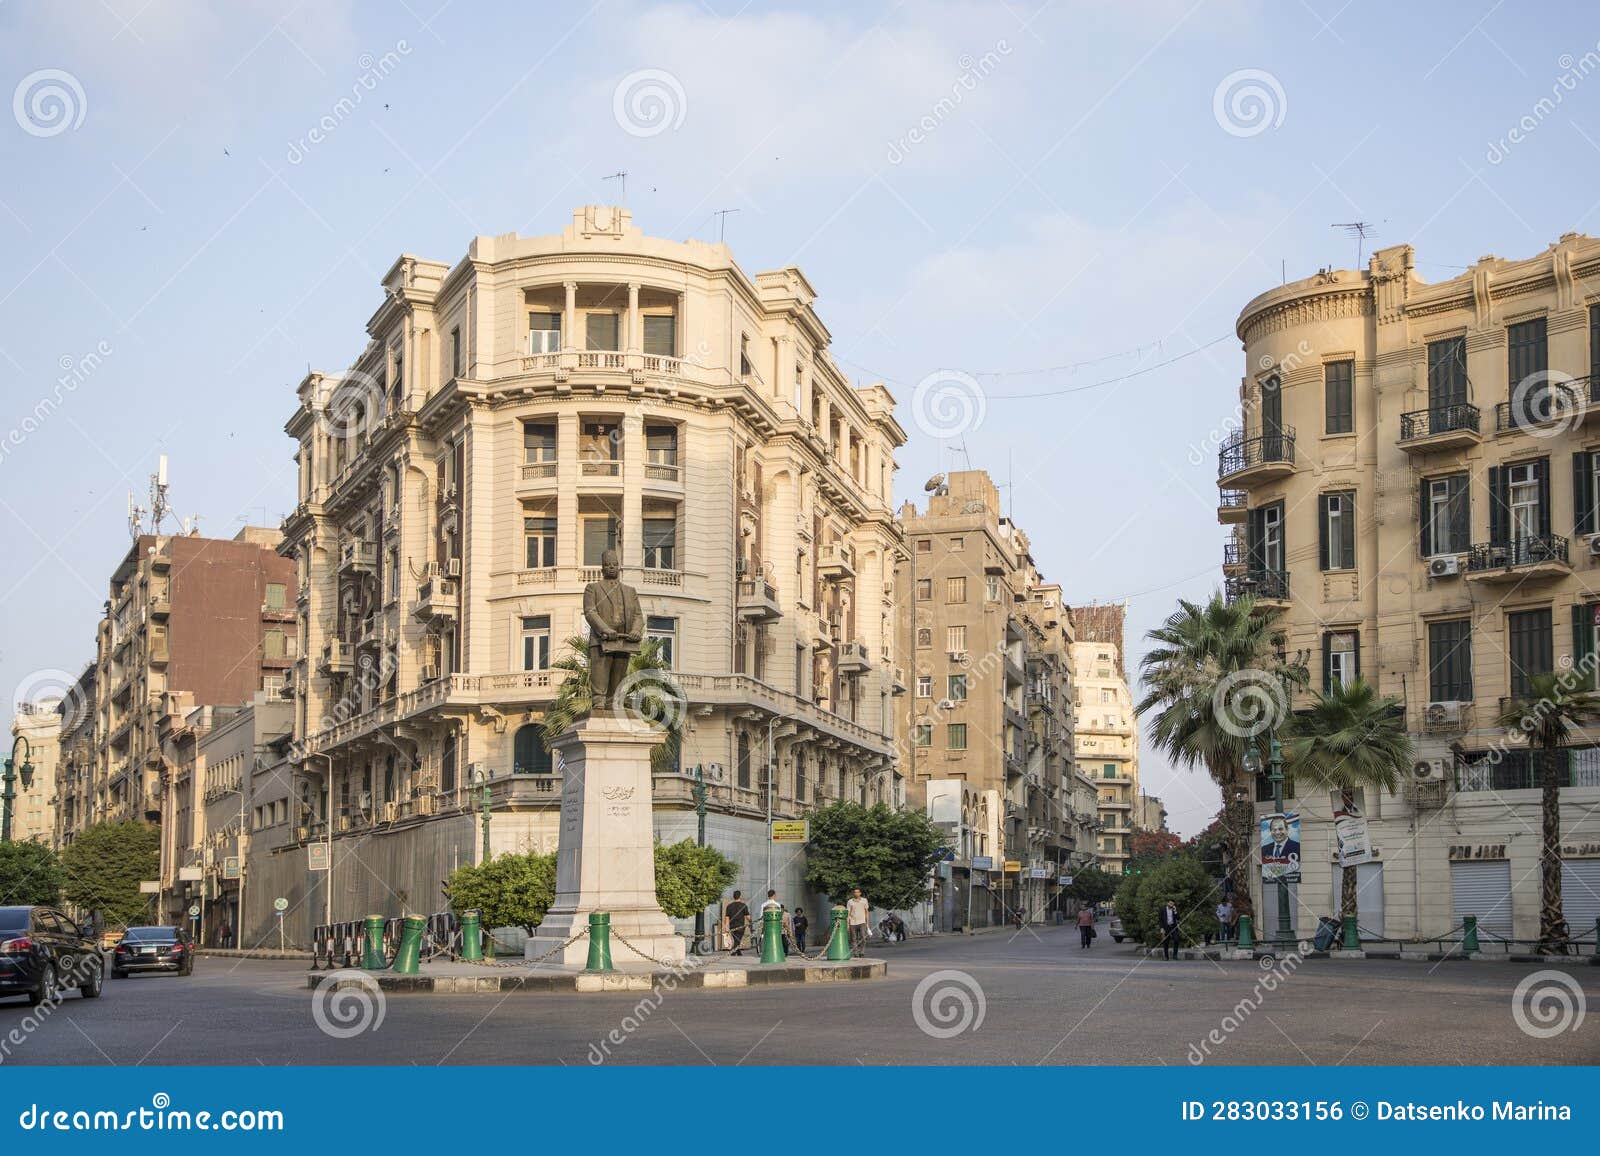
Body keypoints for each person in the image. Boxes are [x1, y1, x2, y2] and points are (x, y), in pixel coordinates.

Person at [723, 891, 751, 956]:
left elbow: (727, 918)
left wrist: (726, 927)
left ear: (733, 897)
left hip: (732, 926)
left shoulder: (729, 906)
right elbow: (748, 917)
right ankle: (733, 952)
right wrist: (750, 921)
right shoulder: (743, 906)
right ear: (740, 896)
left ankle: (738, 952)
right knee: (737, 939)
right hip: (740, 926)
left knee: (736, 939)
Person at [846, 888, 870, 956]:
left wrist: (867, 923)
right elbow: (848, 913)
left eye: (857, 892)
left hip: (862, 922)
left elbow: (867, 912)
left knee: (863, 937)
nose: (856, 893)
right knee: (853, 939)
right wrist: (848, 924)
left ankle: (862, 952)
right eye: (854, 892)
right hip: (853, 922)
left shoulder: (864, 900)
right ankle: (855, 953)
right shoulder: (850, 902)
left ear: (860, 893)